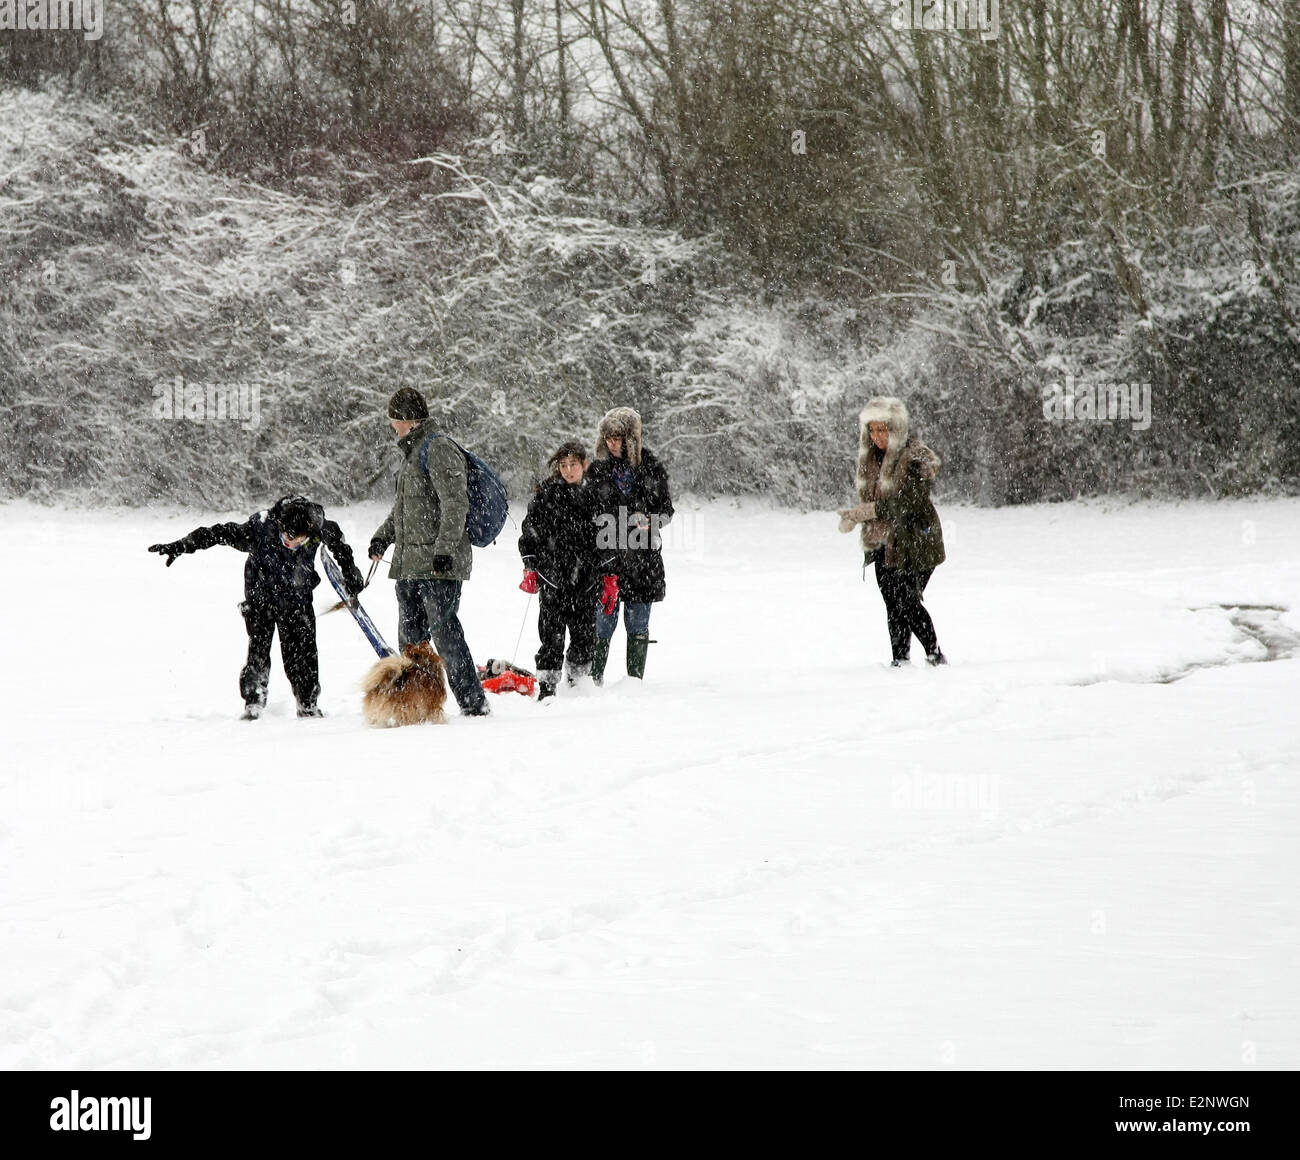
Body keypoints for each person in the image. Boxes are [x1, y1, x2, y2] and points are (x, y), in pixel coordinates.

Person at [148, 495, 365, 718]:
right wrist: (184, 545)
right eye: (289, 538)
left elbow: (340, 546)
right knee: (258, 650)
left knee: (303, 652)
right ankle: (254, 700)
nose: (292, 545)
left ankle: (307, 703)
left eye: (299, 541)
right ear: (280, 525)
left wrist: (351, 574)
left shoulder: (317, 526)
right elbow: (219, 533)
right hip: (261, 596)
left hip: (297, 598)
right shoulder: (260, 528)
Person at [368, 387, 490, 717]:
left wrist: (444, 550)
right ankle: (417, 703)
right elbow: (404, 509)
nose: (393, 426)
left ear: (408, 420)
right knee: (411, 643)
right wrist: (382, 538)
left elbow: (455, 503)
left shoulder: (438, 448)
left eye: (395, 420)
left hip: (438, 565)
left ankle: (473, 704)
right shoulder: (412, 453)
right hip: (410, 564)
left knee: (445, 634)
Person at [838, 395, 947, 666]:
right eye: (872, 429)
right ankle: (900, 660)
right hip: (883, 541)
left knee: (907, 601)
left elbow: (907, 503)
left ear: (895, 427)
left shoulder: (913, 457)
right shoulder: (871, 460)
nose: (877, 435)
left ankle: (935, 655)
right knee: (892, 603)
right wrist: (860, 515)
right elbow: (878, 501)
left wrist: (866, 512)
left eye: (883, 428)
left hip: (915, 540)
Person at [518, 441, 618, 700]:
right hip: (552, 579)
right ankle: (548, 688)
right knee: (550, 636)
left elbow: (607, 539)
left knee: (584, 636)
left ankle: (577, 684)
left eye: (573, 464)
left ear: (584, 465)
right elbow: (530, 531)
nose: (568, 470)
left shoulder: (597, 495)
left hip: (586, 580)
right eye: (563, 465)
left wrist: (609, 576)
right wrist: (530, 565)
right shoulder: (547, 494)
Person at [584, 407, 673, 683]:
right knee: (602, 623)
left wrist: (651, 519)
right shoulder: (597, 470)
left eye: (617, 438)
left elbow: (667, 511)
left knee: (637, 624)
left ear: (630, 438)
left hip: (643, 561)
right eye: (607, 437)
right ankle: (592, 681)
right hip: (606, 559)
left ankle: (634, 683)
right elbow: (585, 512)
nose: (611, 443)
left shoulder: (651, 467)